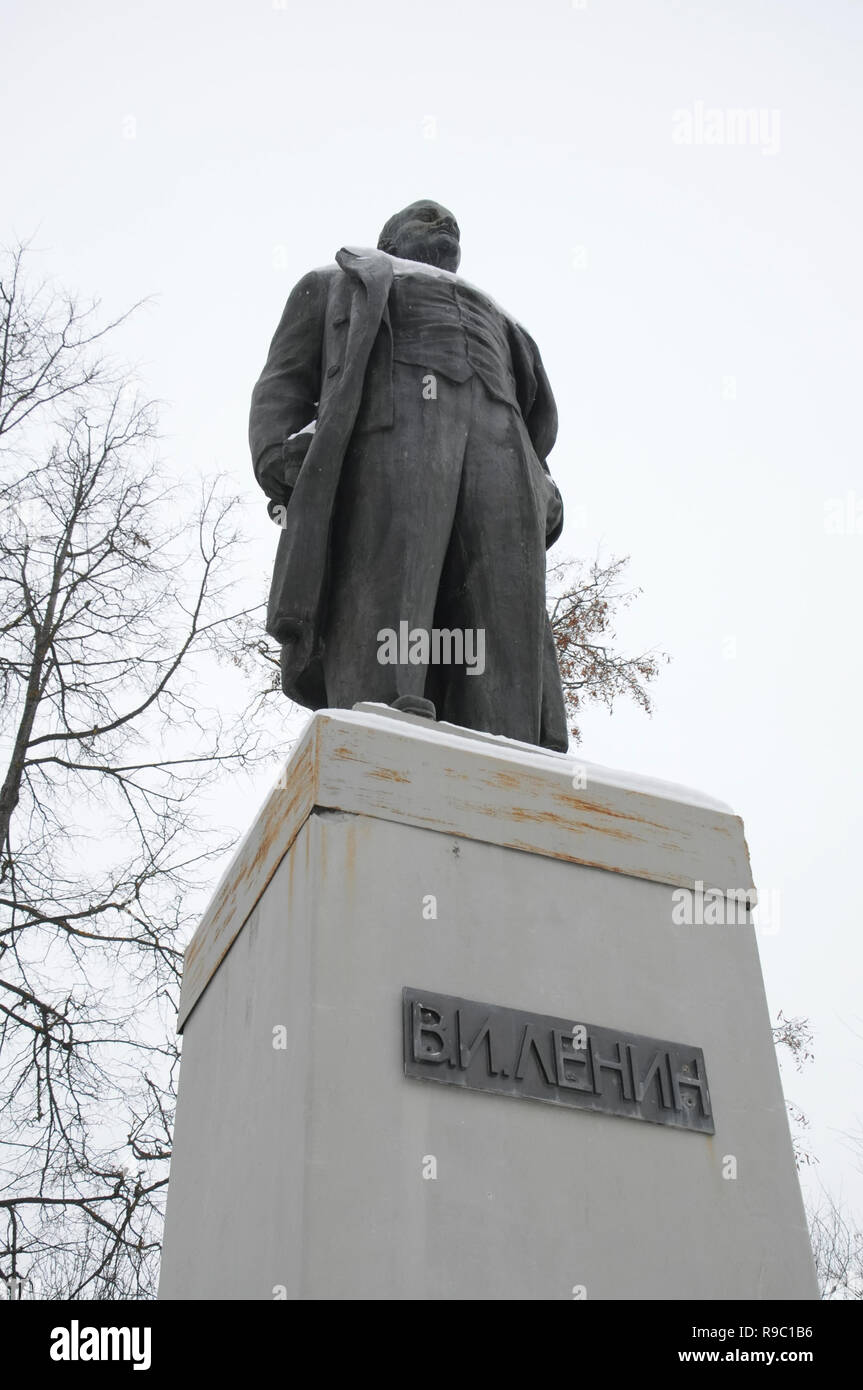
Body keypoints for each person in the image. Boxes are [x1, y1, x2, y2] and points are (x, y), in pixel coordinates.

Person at [249, 199, 568, 751]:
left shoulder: (503, 320)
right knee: (394, 577)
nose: (443, 224)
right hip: (390, 435)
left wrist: (540, 480)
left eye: (451, 223)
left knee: (504, 603)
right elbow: (283, 381)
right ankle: (383, 718)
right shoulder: (334, 280)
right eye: (427, 217)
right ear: (389, 239)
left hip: (501, 452)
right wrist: (279, 455)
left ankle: (511, 743)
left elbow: (532, 413)